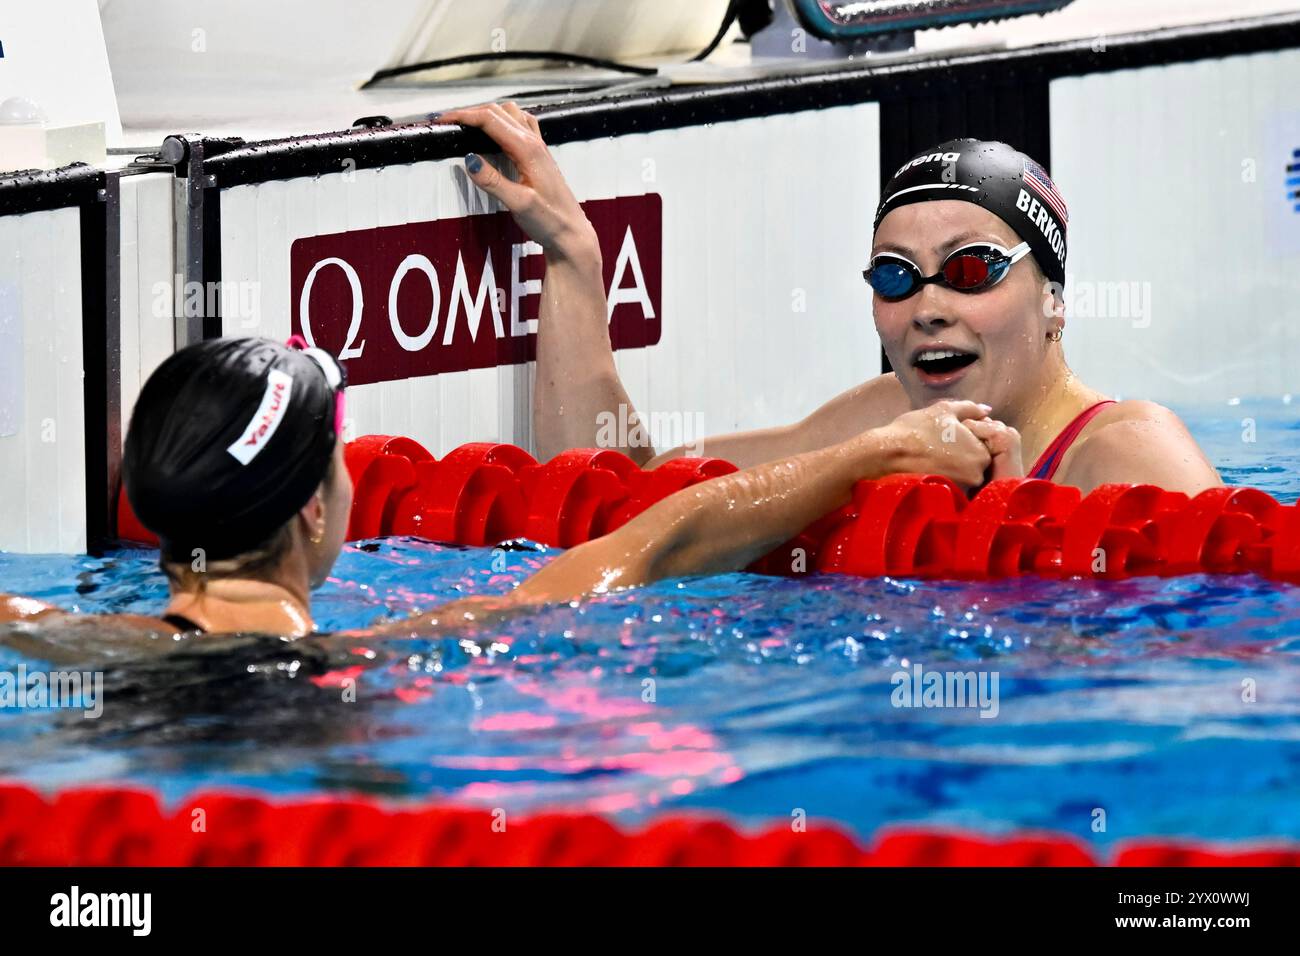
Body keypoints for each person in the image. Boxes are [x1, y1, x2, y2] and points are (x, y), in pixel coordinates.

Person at [438, 103, 1222, 496]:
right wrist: (575, 259)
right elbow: (623, 484)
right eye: (894, 274)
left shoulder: (1128, 451)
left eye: (971, 271)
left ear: (1053, 298)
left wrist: (1008, 523)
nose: (927, 305)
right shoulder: (884, 420)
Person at [0, 336, 995, 639]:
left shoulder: (69, 634)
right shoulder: (383, 652)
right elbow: (660, 543)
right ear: (312, 507)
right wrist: (871, 453)